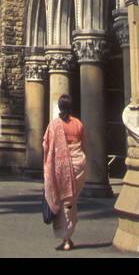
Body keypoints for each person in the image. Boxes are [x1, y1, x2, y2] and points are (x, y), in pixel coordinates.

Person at [42, 93, 88, 251]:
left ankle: (66, 239)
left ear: (60, 107)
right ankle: (69, 235)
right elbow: (83, 145)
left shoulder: (54, 125)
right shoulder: (79, 124)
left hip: (61, 168)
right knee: (71, 201)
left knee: (63, 202)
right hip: (78, 166)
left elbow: (46, 145)